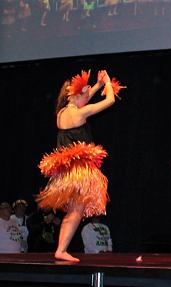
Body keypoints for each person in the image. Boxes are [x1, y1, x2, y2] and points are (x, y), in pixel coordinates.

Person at [37, 70, 119, 262]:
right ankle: (62, 249)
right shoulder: (80, 113)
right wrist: (107, 84)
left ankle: (61, 249)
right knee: (76, 210)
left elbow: (82, 98)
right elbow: (110, 101)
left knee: (74, 210)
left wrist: (96, 85)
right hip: (79, 171)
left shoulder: (62, 112)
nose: (87, 97)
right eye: (85, 94)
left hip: (66, 172)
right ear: (75, 95)